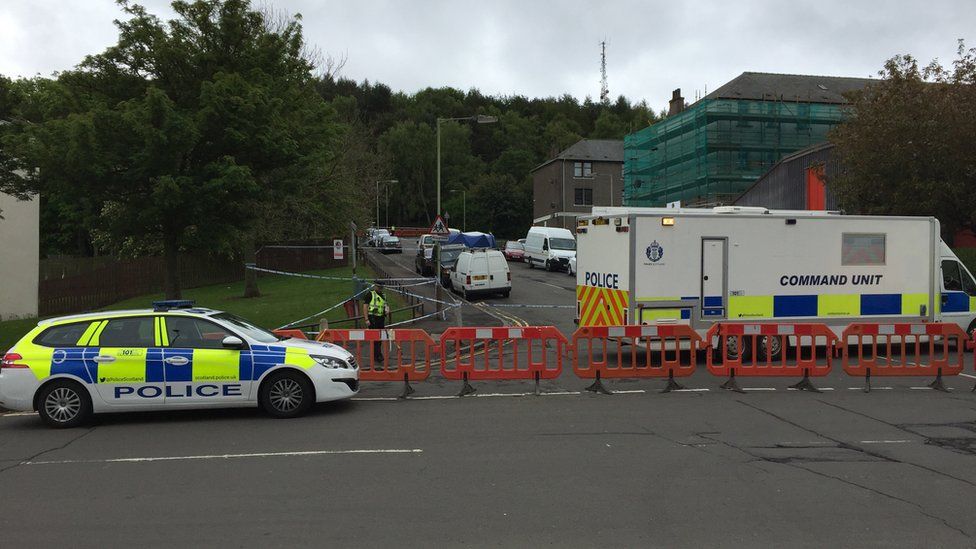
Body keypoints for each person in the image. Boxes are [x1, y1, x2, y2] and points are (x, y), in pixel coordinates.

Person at [362, 281, 390, 366]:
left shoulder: (383, 296)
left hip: (381, 318)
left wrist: (387, 310)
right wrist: (366, 319)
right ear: (375, 286)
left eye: (381, 287)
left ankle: (377, 355)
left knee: (380, 337)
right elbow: (365, 306)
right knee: (375, 338)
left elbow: (386, 305)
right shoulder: (370, 294)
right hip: (372, 318)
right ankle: (378, 355)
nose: (380, 289)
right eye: (379, 287)